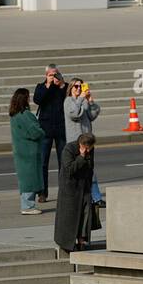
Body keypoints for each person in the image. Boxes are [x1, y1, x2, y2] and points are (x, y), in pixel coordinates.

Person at [54, 133, 101, 253]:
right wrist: (81, 156)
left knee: (86, 214)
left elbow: (90, 168)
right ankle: (67, 243)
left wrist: (90, 188)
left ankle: (82, 239)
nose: (89, 150)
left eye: (90, 148)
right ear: (81, 144)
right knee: (69, 217)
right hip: (70, 188)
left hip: (84, 187)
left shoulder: (90, 149)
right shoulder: (68, 149)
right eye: (87, 148)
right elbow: (70, 169)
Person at [64, 78, 106, 208]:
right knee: (78, 170)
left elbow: (92, 115)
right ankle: (82, 197)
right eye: (76, 86)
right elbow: (74, 114)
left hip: (87, 141)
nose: (78, 89)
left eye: (80, 86)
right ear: (71, 88)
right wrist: (81, 98)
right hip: (75, 142)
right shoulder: (68, 101)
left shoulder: (83, 101)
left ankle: (96, 198)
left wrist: (90, 101)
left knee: (90, 170)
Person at [32, 64, 69, 202]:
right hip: (45, 128)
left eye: (56, 74)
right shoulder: (41, 87)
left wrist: (61, 85)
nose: (54, 77)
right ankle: (42, 192)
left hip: (61, 128)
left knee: (63, 161)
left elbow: (69, 98)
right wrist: (48, 85)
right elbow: (37, 100)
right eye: (51, 74)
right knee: (43, 162)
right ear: (46, 75)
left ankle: (64, 190)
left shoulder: (64, 87)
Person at [8, 88, 45, 216]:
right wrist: (42, 131)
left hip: (21, 151)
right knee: (30, 180)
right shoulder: (25, 115)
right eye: (28, 97)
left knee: (25, 179)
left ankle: (27, 204)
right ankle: (27, 206)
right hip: (29, 151)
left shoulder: (15, 115)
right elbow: (34, 132)